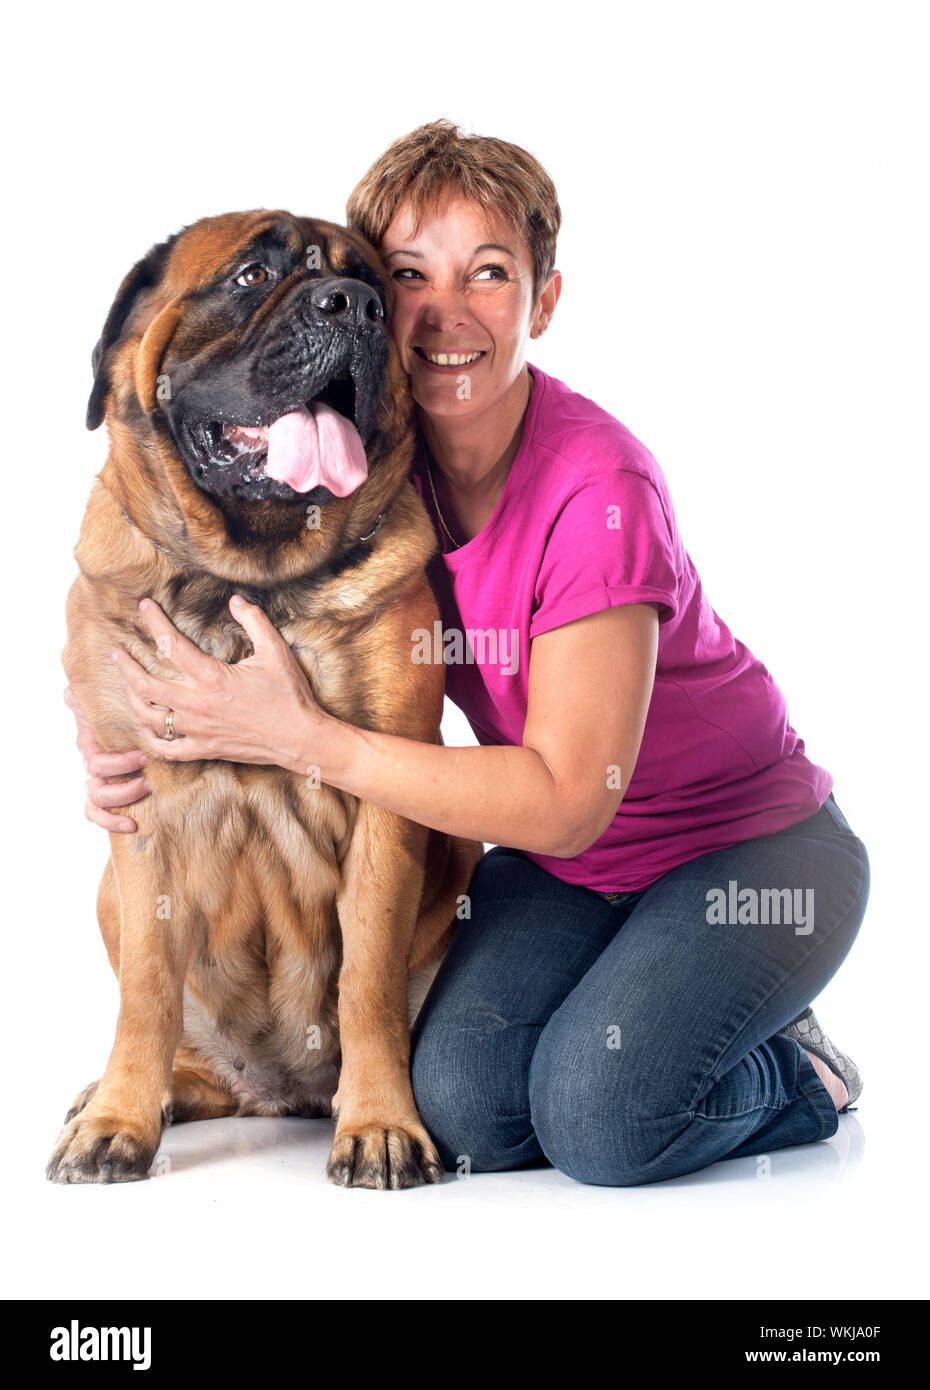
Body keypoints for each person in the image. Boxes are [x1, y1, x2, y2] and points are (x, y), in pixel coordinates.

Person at [67, 120, 869, 1186]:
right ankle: (647, 1007)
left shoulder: (599, 492)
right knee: (467, 1112)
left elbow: (573, 797)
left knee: (599, 1118)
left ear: (542, 301)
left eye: (489, 273)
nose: (445, 312)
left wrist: (300, 737)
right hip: (568, 873)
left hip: (749, 853)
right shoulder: (372, 474)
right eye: (407, 274)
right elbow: (141, 586)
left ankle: (796, 1070)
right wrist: (120, 732)